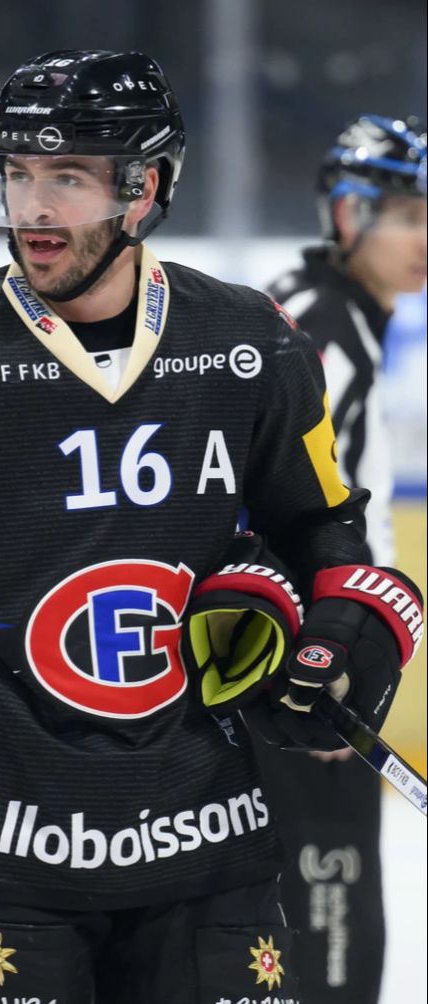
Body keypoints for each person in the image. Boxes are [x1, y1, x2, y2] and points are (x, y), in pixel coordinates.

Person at [0, 53, 422, 1004]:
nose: (32, 208)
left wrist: (338, 639)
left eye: (66, 178)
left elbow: (326, 534)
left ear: (143, 187)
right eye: (16, 174)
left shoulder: (253, 345)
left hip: (207, 852)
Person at [253, 114, 427, 1004]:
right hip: (305, 672)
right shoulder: (324, 329)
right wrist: (326, 659)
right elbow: (273, 502)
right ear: (348, 214)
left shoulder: (325, 309)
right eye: (404, 211)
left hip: (297, 657)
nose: (423, 236)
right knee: (331, 922)